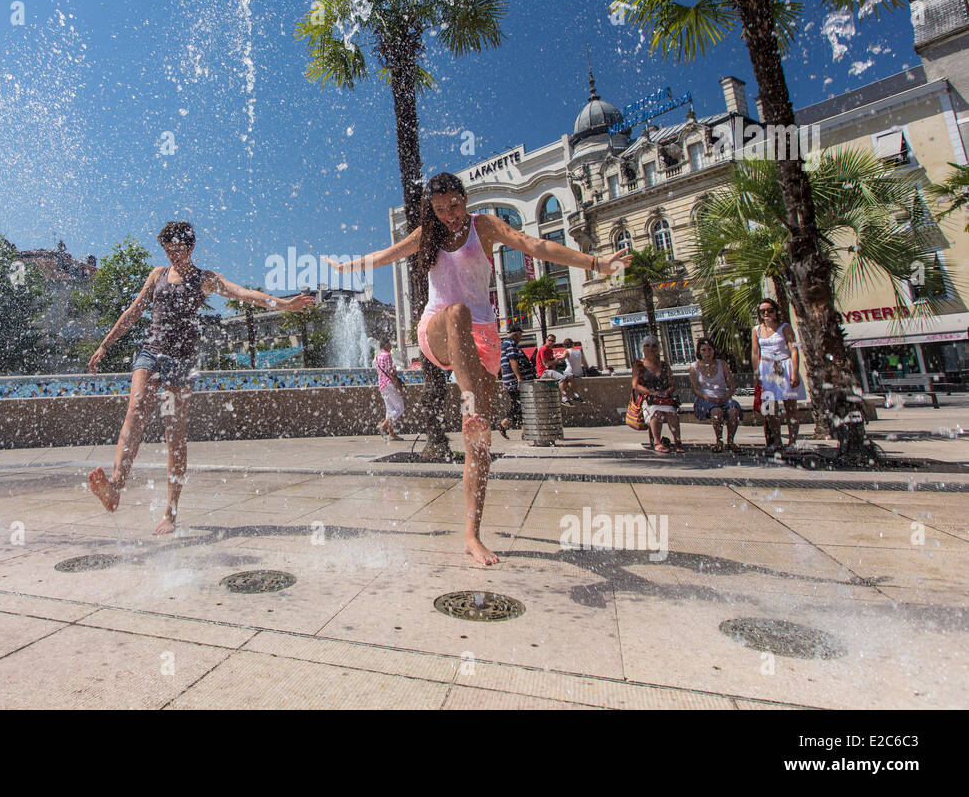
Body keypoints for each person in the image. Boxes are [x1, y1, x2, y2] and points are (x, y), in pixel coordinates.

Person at [322, 172, 631, 565]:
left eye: (454, 205)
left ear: (464, 199)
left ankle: (472, 535)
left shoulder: (483, 226)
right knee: (457, 312)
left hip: (483, 340)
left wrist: (596, 262)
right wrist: (346, 267)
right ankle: (469, 409)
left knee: (479, 447)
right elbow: (386, 255)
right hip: (438, 329)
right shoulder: (427, 234)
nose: (449, 214)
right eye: (440, 209)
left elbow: (534, 245)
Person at [86, 221, 315, 534]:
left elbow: (244, 294)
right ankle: (114, 487)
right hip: (150, 352)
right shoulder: (157, 275)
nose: (172, 256)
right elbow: (133, 312)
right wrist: (105, 344)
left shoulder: (204, 279)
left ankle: (170, 512)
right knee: (135, 410)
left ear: (190, 247)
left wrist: (285, 304)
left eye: (177, 250)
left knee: (174, 432)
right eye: (167, 250)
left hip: (180, 362)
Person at [750, 297, 806, 452]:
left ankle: (792, 441)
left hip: (784, 366)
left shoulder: (784, 327)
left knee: (790, 407)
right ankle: (777, 441)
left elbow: (794, 350)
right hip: (766, 368)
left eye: (770, 310)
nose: (766, 313)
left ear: (775, 312)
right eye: (763, 311)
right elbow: (755, 353)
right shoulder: (756, 330)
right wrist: (756, 374)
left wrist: (795, 373)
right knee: (770, 409)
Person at [632, 335, 684, 453]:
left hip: (664, 398)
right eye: (647, 345)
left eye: (654, 346)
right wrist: (651, 392)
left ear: (658, 348)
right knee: (656, 413)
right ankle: (657, 442)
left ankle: (678, 442)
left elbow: (672, 384)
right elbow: (635, 385)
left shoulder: (664, 365)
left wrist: (666, 392)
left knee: (672, 414)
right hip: (648, 399)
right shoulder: (638, 365)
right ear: (642, 348)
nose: (650, 348)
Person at [689, 337, 742, 452]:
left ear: (714, 351)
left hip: (723, 396)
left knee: (733, 411)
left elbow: (732, 386)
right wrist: (708, 398)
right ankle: (719, 441)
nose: (707, 353)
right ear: (699, 352)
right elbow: (695, 389)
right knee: (717, 412)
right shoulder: (694, 367)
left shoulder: (722, 364)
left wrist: (725, 397)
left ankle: (731, 440)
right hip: (705, 398)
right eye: (703, 350)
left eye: (709, 349)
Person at [498, 321, 535, 437]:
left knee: (519, 404)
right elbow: (513, 361)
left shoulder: (505, 344)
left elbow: (503, 365)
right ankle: (505, 424)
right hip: (515, 381)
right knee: (521, 404)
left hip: (510, 381)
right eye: (520, 335)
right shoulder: (511, 344)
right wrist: (519, 379)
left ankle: (522, 429)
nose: (521, 338)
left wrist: (504, 381)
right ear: (516, 335)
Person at [374, 339, 405, 440]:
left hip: (382, 386)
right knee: (400, 408)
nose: (391, 345)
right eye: (389, 344)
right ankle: (383, 425)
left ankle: (391, 434)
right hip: (388, 384)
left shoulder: (378, 356)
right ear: (385, 345)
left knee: (390, 410)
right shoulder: (387, 355)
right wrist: (399, 386)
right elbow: (391, 372)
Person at [535, 334, 571, 404]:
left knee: (570, 375)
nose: (551, 342)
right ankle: (564, 399)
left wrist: (558, 362)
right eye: (549, 340)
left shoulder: (551, 350)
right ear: (546, 340)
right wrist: (556, 360)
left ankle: (575, 395)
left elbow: (553, 364)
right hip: (543, 372)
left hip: (550, 371)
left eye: (553, 341)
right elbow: (546, 364)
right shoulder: (543, 349)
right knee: (562, 378)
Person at [563, 338, 586, 402]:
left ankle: (565, 397)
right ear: (573, 344)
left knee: (561, 379)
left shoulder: (566, 351)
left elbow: (562, 359)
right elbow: (584, 362)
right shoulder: (579, 351)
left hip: (570, 372)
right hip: (579, 373)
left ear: (564, 345)